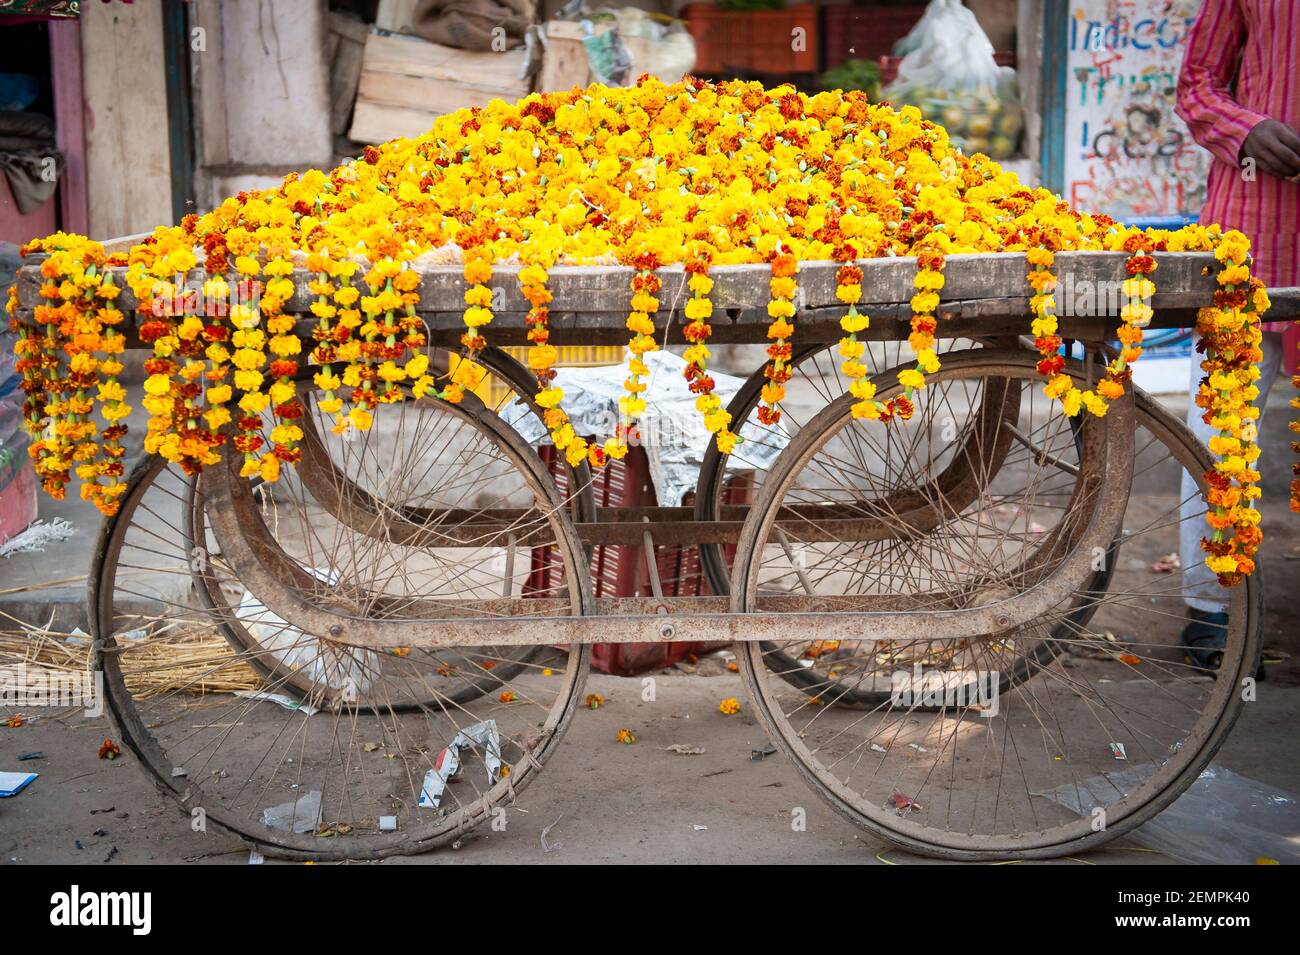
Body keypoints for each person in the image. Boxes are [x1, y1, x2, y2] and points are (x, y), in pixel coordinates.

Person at [1174, 0, 1298, 669]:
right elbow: (1196, 86)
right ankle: (1209, 609)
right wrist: (1245, 131)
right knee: (1220, 429)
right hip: (1252, 229)